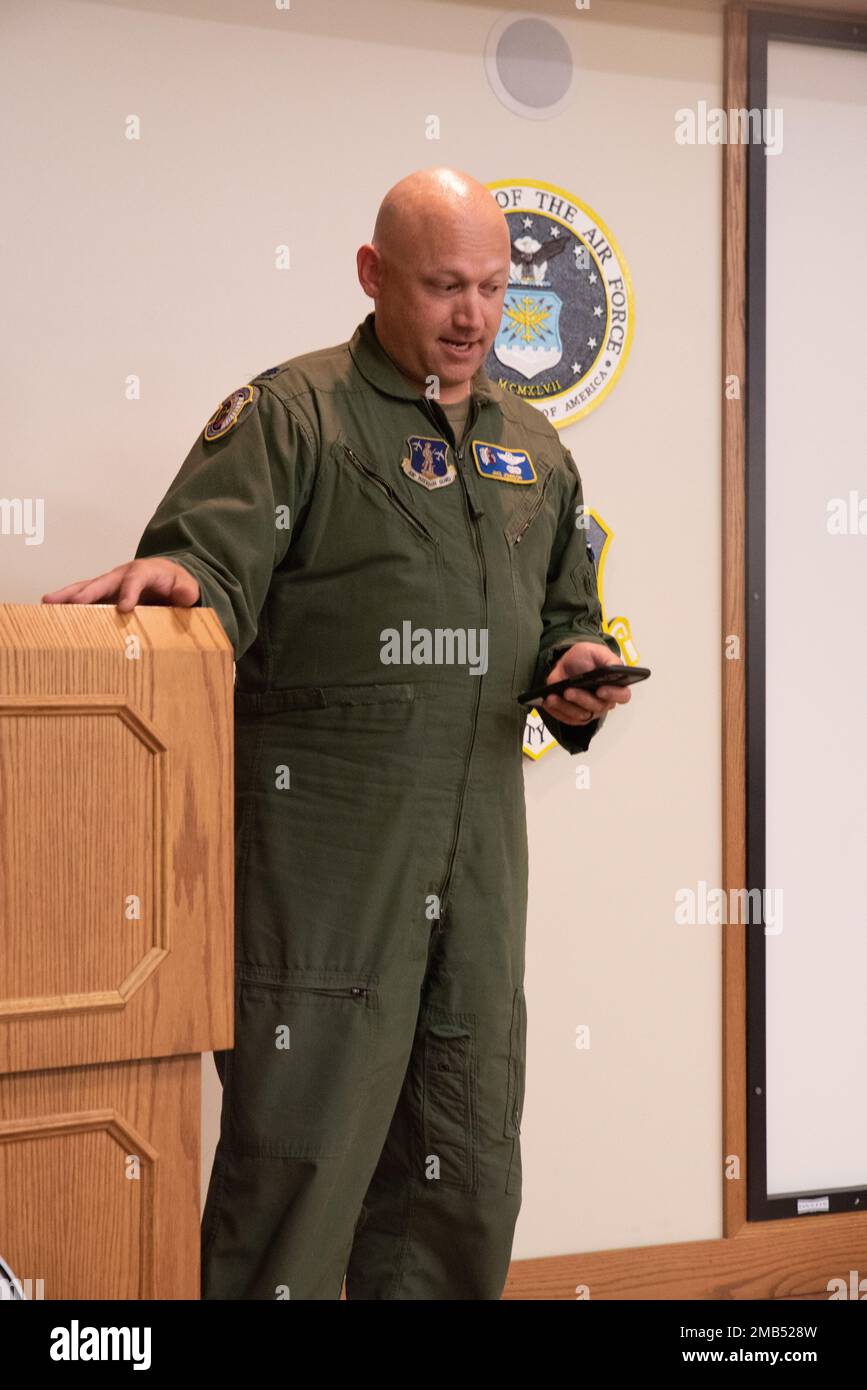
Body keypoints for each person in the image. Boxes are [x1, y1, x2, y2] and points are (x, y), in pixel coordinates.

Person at [43, 166, 631, 1300]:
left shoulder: (534, 451)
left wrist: (576, 667)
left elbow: (566, 616)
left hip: (480, 872)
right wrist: (183, 576)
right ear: (373, 276)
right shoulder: (293, 416)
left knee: (464, 1166)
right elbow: (205, 568)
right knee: (299, 1171)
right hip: (323, 870)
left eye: (493, 289)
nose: (473, 317)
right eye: (444, 285)